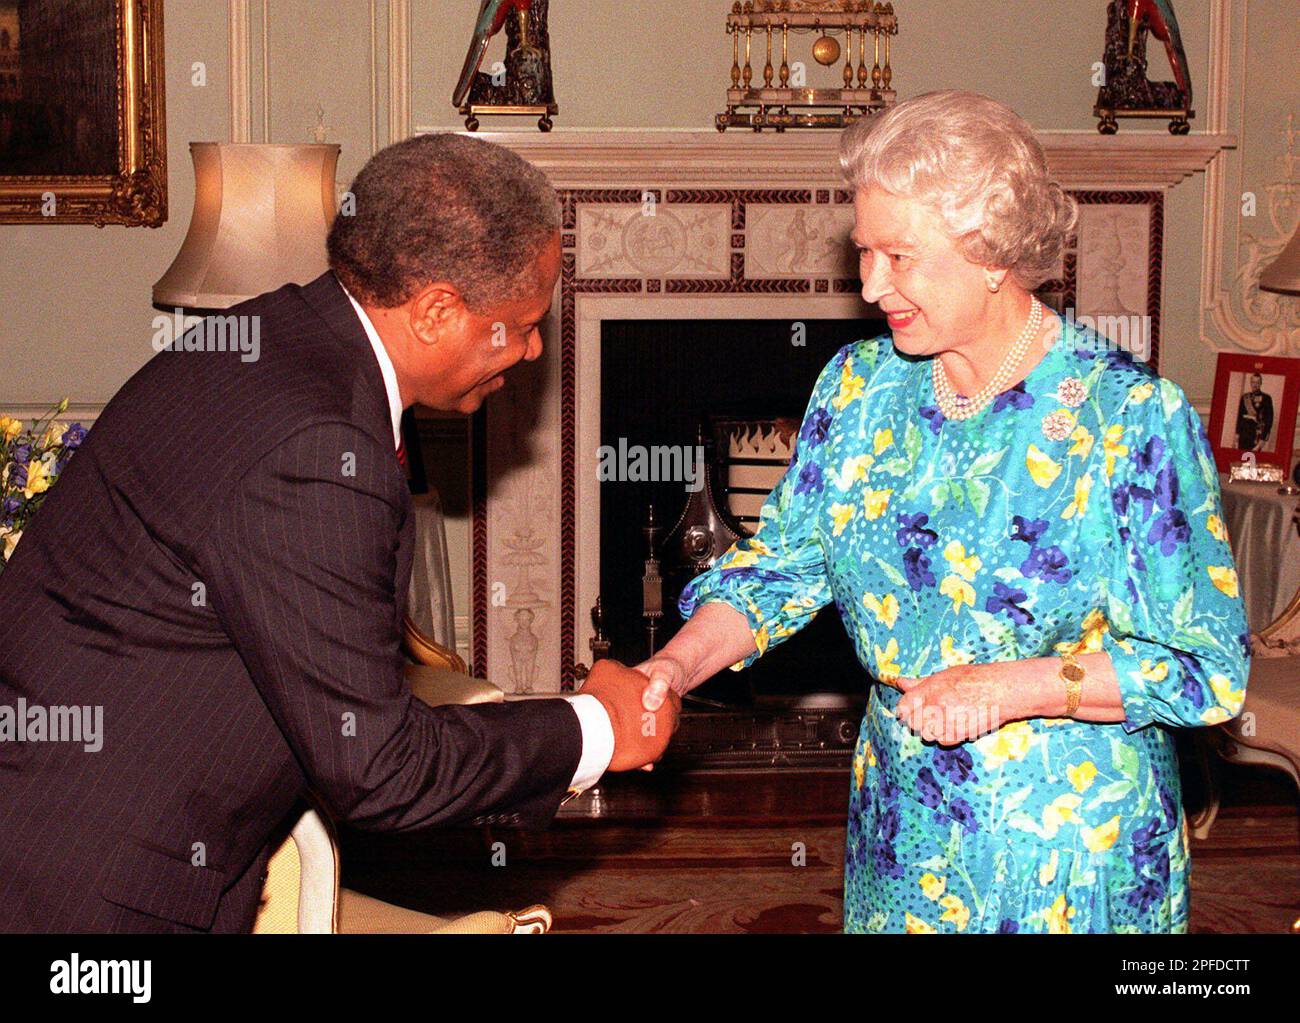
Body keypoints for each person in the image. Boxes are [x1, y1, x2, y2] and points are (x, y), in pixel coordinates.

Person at [0, 133, 678, 933]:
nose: (532, 349)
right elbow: (380, 768)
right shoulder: (320, 443)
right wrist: (598, 726)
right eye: (521, 325)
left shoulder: (278, 339)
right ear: (434, 312)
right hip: (87, 888)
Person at [633, 91, 1250, 933]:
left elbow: (1207, 668)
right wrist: (671, 666)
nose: (869, 282)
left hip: (1067, 853)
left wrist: (1009, 687)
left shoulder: (1129, 417)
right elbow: (779, 570)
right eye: (863, 251)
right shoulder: (858, 387)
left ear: (993, 253)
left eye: (898, 255)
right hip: (901, 824)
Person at [1234, 372, 1273, 451]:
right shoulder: (1245, 397)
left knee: (1253, 461)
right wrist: (1237, 434)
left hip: (1256, 434)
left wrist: (1263, 439)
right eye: (1253, 382)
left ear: (1261, 383)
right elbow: (1239, 417)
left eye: (1257, 382)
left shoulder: (1266, 398)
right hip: (1243, 434)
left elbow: (1269, 420)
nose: (1255, 385)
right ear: (1250, 383)